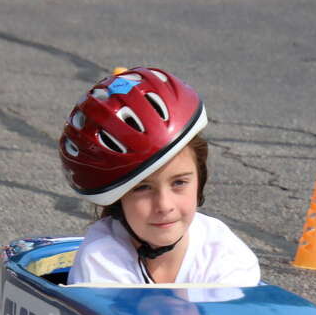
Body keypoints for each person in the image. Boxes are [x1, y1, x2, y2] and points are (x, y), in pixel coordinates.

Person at [58, 67, 260, 287]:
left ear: (200, 180)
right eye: (142, 188)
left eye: (179, 182)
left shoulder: (223, 253)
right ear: (117, 199)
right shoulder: (102, 260)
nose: (164, 206)